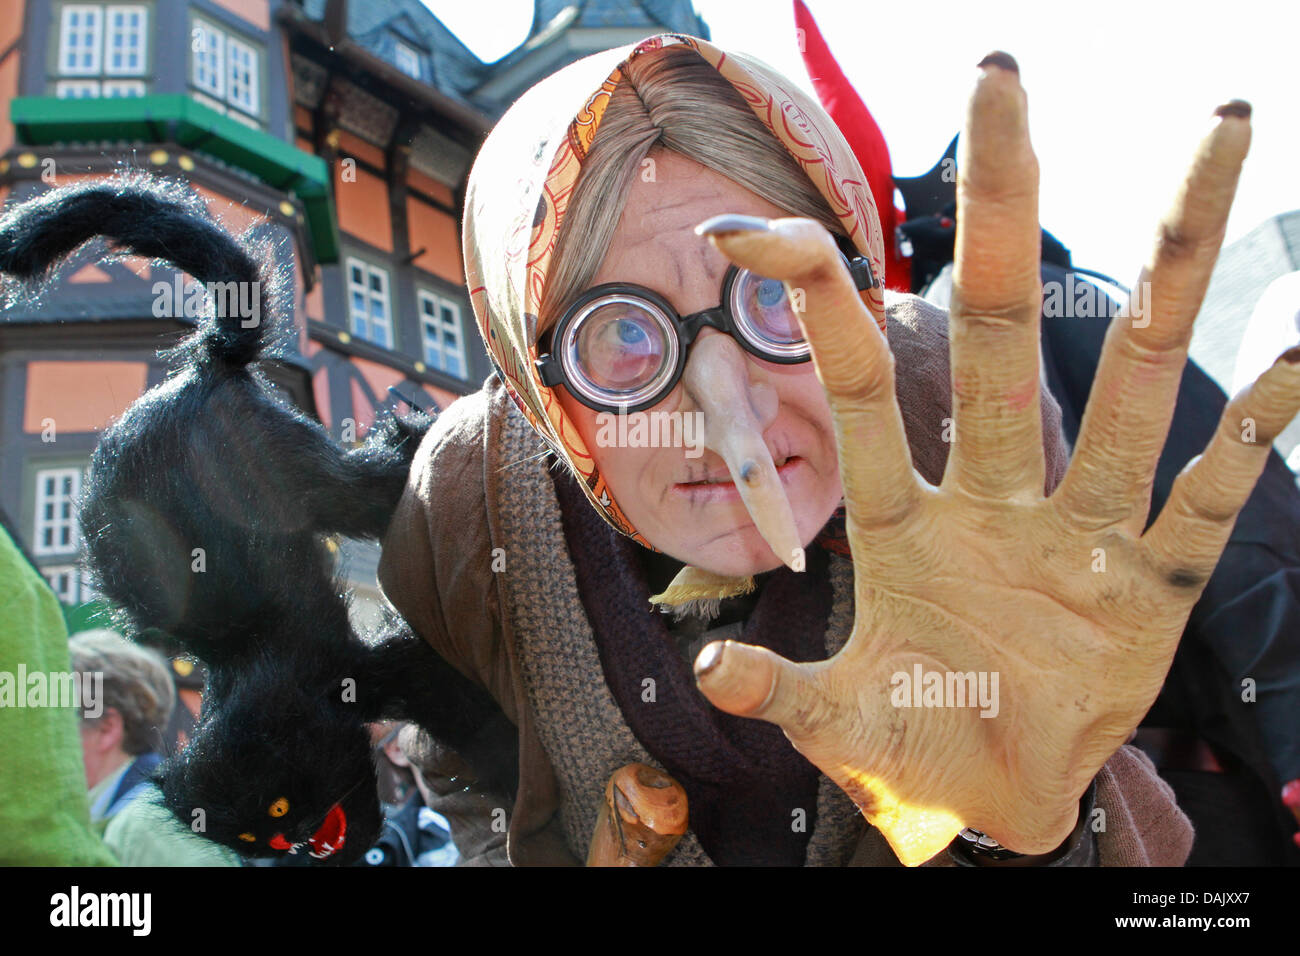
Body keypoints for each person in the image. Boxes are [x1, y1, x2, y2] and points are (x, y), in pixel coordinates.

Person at [377, 34, 1288, 866]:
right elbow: (452, 746)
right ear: (538, 382)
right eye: (619, 336)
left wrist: (1016, 834)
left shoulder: (943, 396)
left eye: (779, 296)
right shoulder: (465, 502)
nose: (729, 422)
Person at [68, 630, 239, 866]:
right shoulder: (139, 815)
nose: (46, 735)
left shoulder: (149, 825)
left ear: (107, 729)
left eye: (57, 719)